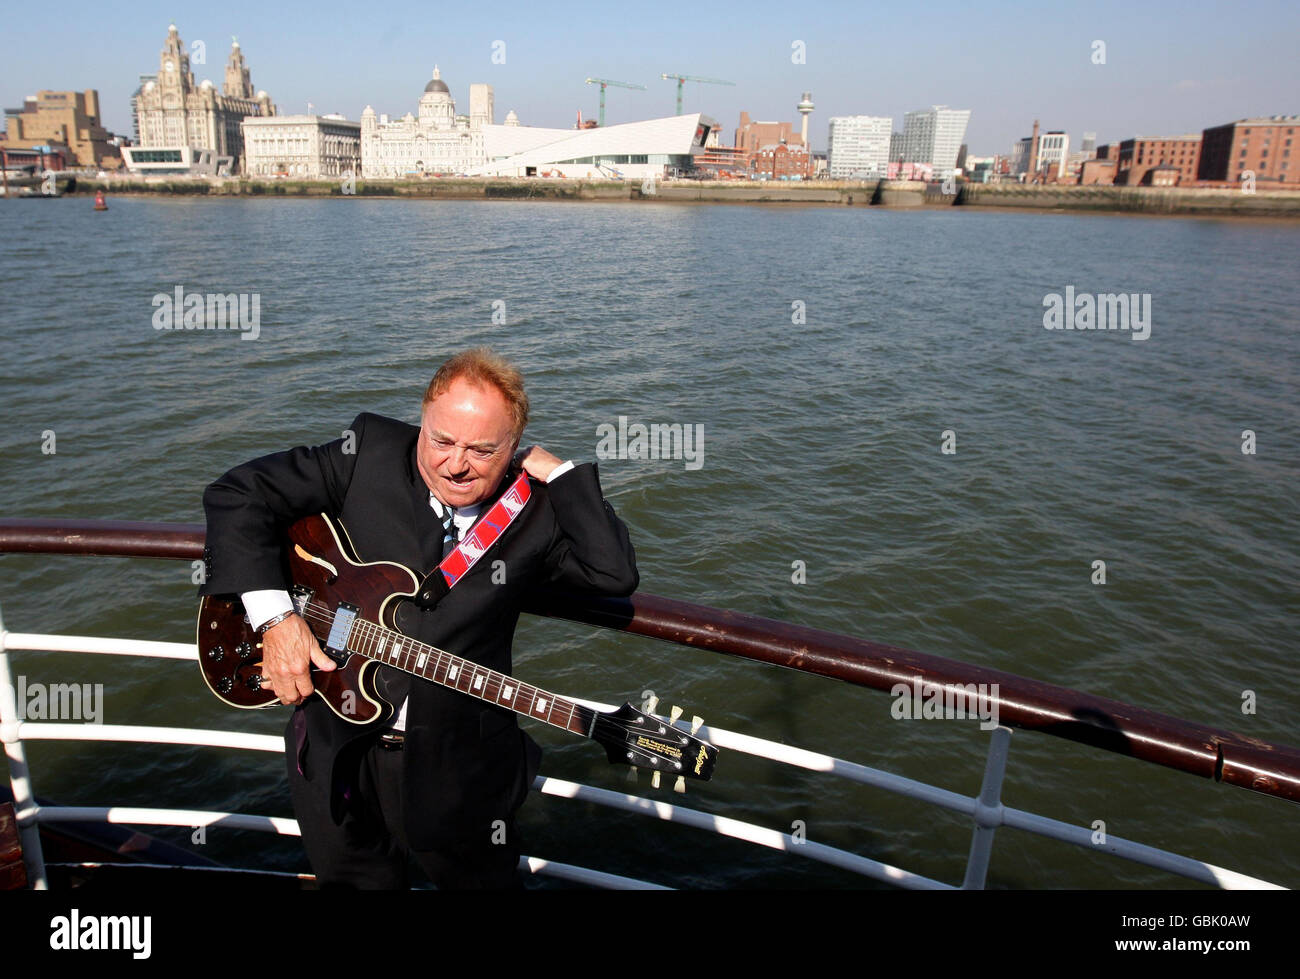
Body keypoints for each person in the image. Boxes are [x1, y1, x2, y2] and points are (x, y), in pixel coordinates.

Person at [198, 348, 639, 888]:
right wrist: (276, 619)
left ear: (515, 448)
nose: (456, 464)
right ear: (420, 422)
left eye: (482, 450)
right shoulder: (369, 453)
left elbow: (612, 574)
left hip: (460, 772)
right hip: (337, 753)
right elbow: (238, 494)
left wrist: (565, 477)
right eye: (442, 441)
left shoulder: (536, 514)